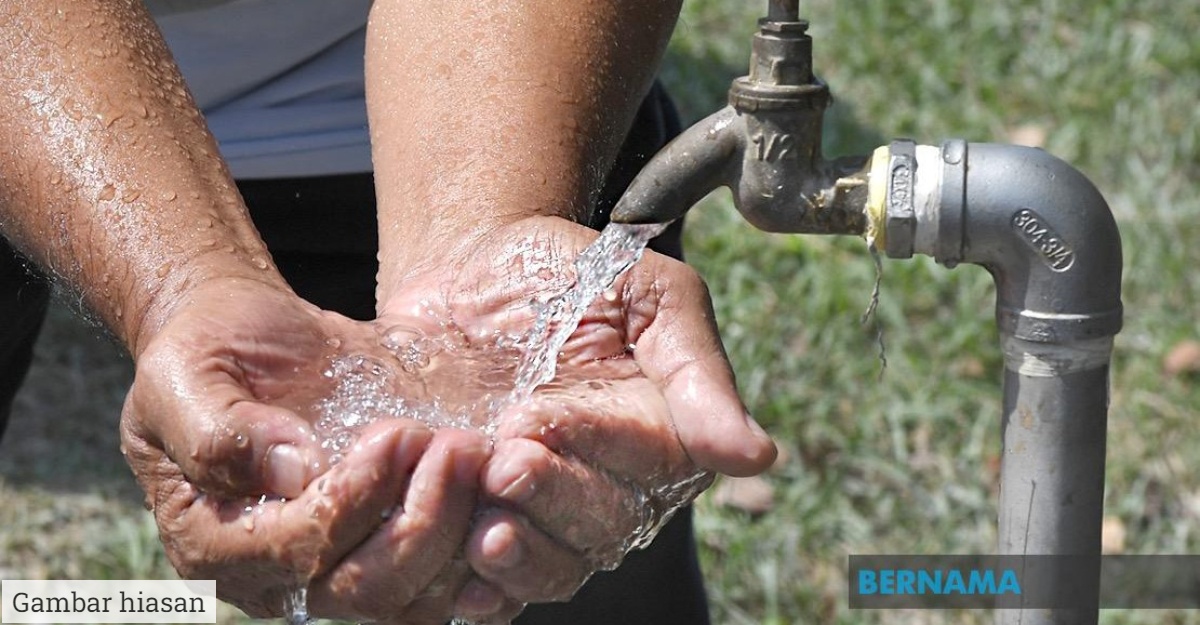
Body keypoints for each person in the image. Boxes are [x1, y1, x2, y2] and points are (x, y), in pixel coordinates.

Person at [0, 1, 777, 623]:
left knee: (560, 533)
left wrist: (483, 222)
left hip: (496, 90)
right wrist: (177, 281)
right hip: (36, 87)